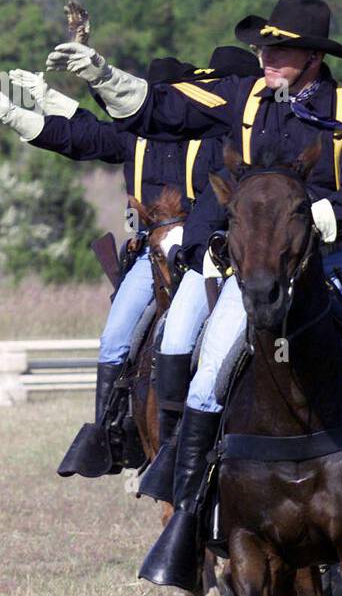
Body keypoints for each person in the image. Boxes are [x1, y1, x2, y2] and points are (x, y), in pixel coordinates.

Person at [45, 0, 342, 590]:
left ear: (313, 56)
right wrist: (101, 75)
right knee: (209, 376)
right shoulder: (243, 99)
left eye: (279, 49)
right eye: (264, 47)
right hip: (259, 272)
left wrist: (309, 225)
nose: (266, 57)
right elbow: (161, 109)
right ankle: (189, 515)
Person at [2, 46, 258, 477]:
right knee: (116, 336)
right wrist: (20, 111)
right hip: (149, 251)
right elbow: (82, 135)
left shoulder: (219, 139)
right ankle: (109, 432)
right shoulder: (134, 136)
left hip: (205, 248)